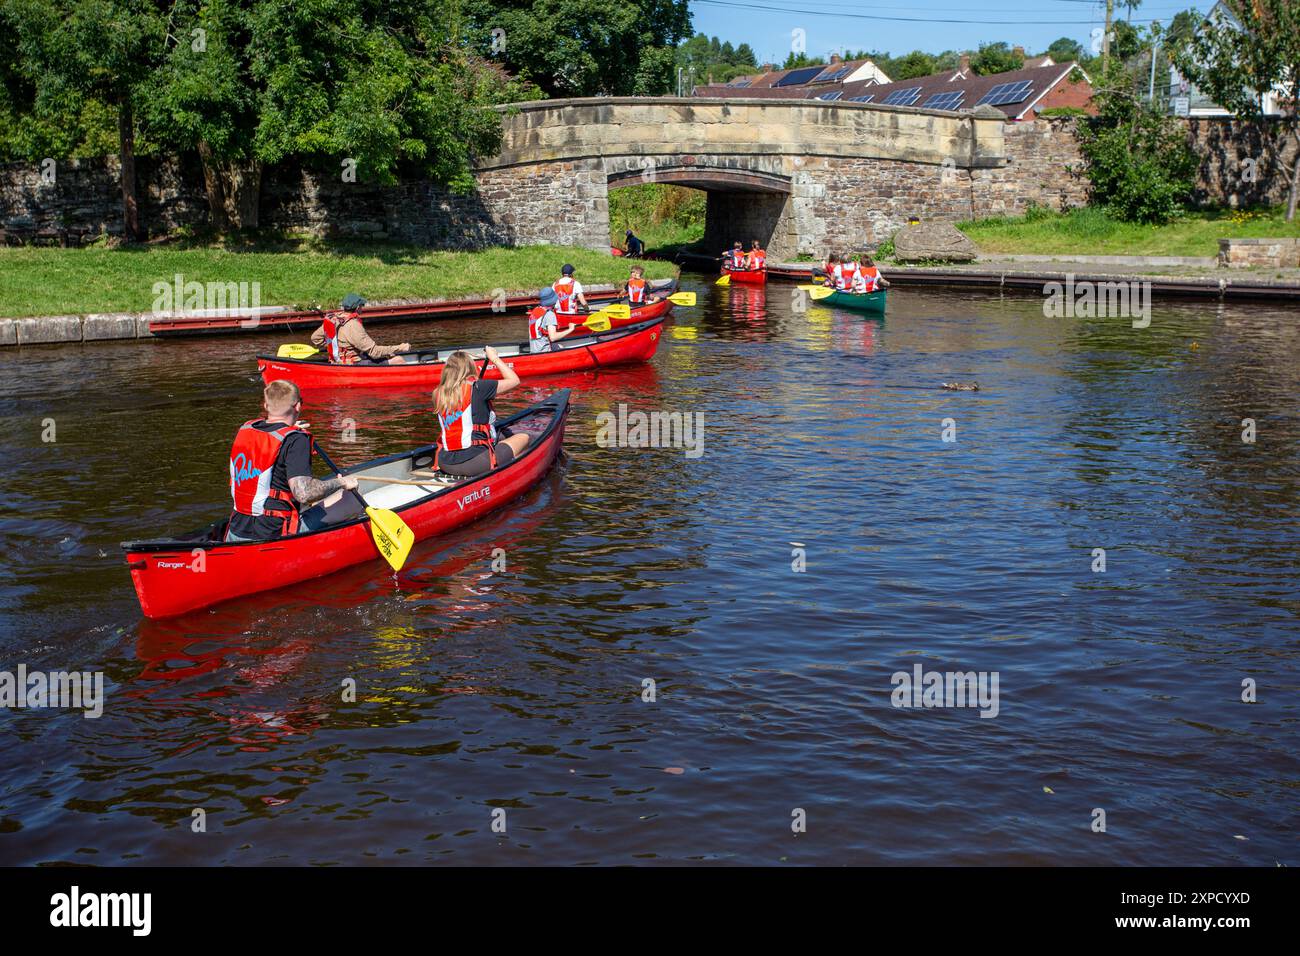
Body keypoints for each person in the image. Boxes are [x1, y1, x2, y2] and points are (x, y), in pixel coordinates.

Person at [226, 379, 360, 542]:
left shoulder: (246, 429)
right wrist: (342, 483)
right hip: (274, 533)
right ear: (298, 406)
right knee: (352, 500)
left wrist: (290, 428)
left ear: (266, 406)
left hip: (236, 529)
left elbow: (271, 437)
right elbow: (304, 494)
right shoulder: (296, 440)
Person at [434, 347, 531, 477]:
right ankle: (509, 476)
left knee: (501, 436)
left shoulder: (438, 393)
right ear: (469, 368)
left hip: (445, 462)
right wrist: (494, 358)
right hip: (474, 464)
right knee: (524, 437)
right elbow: (514, 380)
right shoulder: (479, 387)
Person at [310, 293, 411, 365]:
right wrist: (400, 347)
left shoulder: (334, 319)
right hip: (351, 364)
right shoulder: (353, 325)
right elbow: (374, 352)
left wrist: (334, 347)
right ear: (358, 307)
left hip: (335, 361)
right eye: (362, 306)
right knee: (398, 360)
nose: (362, 308)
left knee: (387, 354)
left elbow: (315, 338)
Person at [528, 287, 578, 354]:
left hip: (534, 350)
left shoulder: (535, 310)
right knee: (564, 349)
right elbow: (553, 337)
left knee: (560, 346)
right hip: (544, 351)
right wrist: (570, 329)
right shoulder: (549, 314)